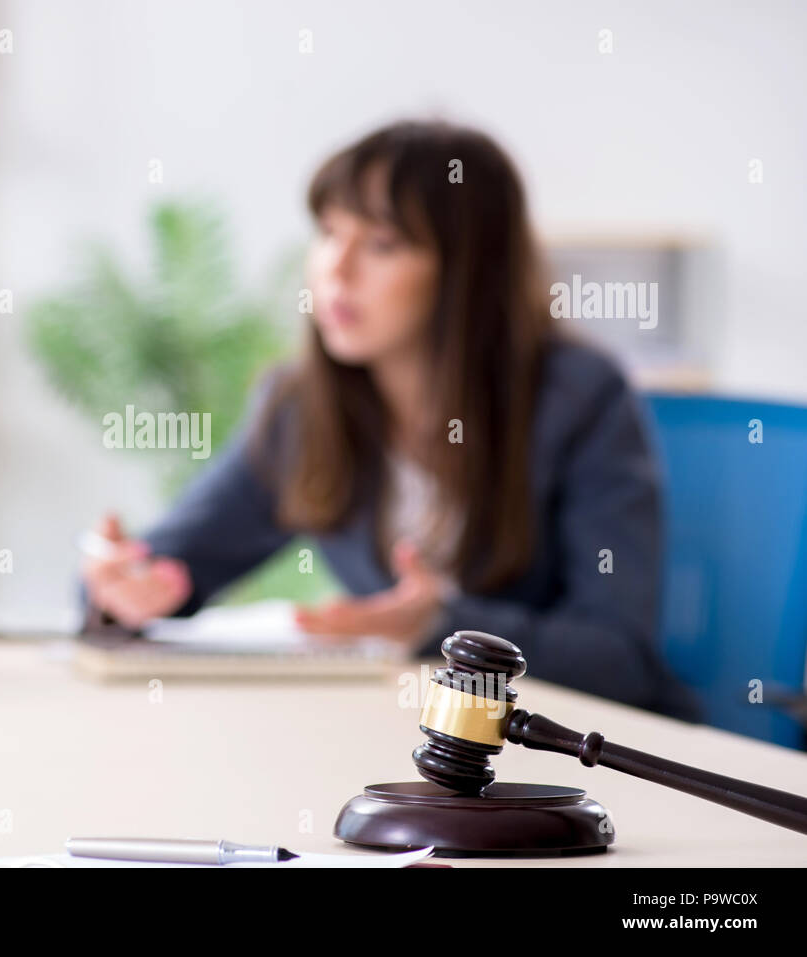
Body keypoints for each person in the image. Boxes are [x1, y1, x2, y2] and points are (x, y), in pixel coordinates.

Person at [81, 119, 700, 722]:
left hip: (577, 760)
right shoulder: (300, 409)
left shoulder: (579, 399)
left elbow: (619, 660)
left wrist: (439, 625)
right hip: (404, 745)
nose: (336, 269)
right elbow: (173, 564)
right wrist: (121, 589)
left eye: (380, 244)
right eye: (328, 233)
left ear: (467, 272)